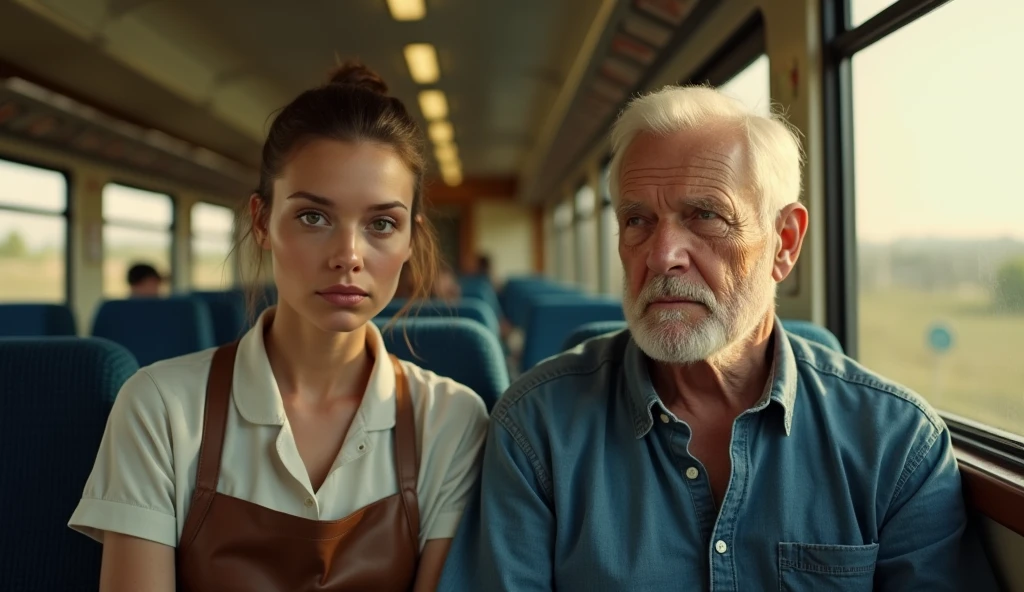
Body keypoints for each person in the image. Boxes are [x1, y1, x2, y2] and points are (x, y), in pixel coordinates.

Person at [437, 86, 996, 590]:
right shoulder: (537, 431)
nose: (660, 255)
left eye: (705, 215)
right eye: (637, 221)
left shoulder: (894, 443)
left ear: (784, 242)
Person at [69, 62, 489, 592]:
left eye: (382, 224)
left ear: (410, 239)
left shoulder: (451, 421)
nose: (348, 256)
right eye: (314, 217)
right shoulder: (160, 407)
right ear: (263, 222)